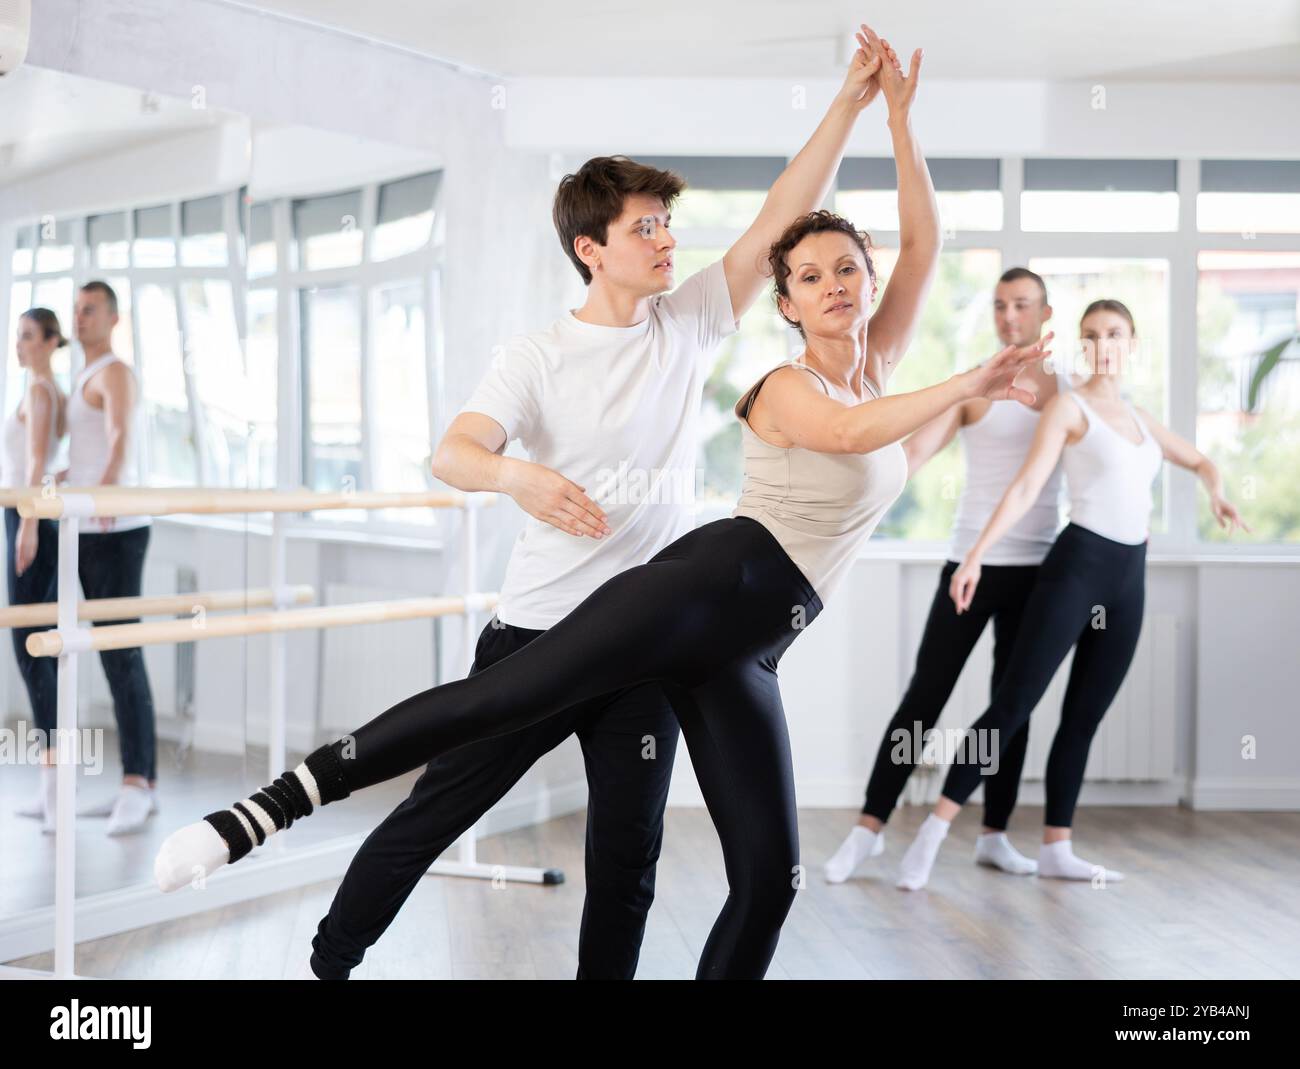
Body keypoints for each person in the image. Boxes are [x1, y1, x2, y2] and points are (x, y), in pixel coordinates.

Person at [300, 23, 894, 981]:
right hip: (537, 634)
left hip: (647, 650)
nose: (667, 240)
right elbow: (452, 452)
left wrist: (850, 105)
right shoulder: (536, 355)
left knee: (628, 858)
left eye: (667, 223)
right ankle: (329, 961)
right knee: (431, 816)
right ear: (591, 248)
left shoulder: (691, 320)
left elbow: (785, 207)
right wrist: (518, 477)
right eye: (644, 228)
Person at [894, 298, 1249, 891]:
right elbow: (1028, 484)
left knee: (1084, 717)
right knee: (1012, 706)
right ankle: (933, 832)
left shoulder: (1139, 420)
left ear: (1132, 343)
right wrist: (976, 555)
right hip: (1076, 569)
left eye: (1114, 334)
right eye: (1092, 335)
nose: (1103, 344)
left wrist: (1217, 491)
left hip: (1128, 577)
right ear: (1082, 344)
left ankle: (1058, 845)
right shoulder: (1068, 407)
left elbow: (1201, 459)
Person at [824, 267, 1064, 883]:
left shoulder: (1068, 390)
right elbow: (913, 454)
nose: (1010, 316)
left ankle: (993, 834)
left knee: (1013, 707)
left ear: (1045, 312)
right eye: (1000, 305)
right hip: (970, 566)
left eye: (1022, 305)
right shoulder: (979, 386)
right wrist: (851, 484)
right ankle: (868, 830)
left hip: (1040, 570)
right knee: (925, 698)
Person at [61, 280, 159, 835]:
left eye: (90, 310)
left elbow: (120, 438)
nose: (80, 318)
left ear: (113, 318)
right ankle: (134, 778)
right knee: (106, 652)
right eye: (75, 310)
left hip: (116, 526)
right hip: (90, 526)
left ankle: (138, 784)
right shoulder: (81, 377)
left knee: (122, 653)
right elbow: (88, 446)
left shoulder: (116, 372)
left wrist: (103, 490)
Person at [6, 308, 68, 833]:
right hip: (29, 514)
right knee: (34, 645)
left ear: (51, 341)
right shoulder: (50, 390)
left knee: (31, 647)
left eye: (29, 337)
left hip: (29, 517)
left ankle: (54, 793)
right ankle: (50, 789)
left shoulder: (41, 391)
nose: (20, 345)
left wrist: (27, 521)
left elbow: (33, 463)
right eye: (18, 336)